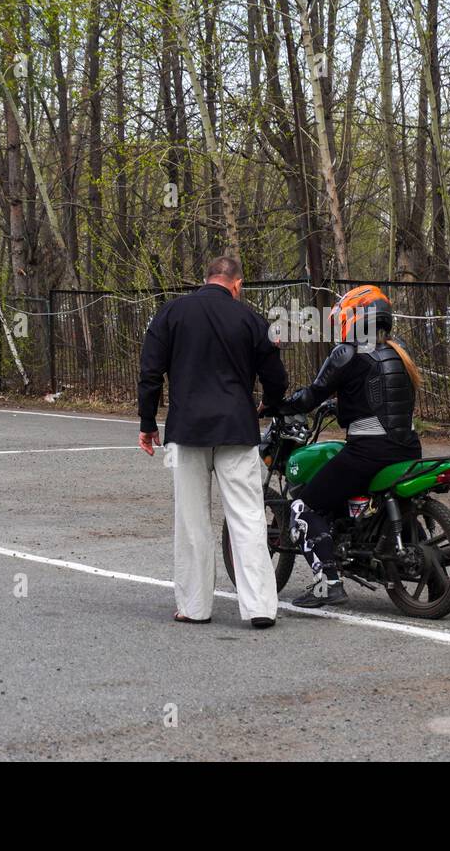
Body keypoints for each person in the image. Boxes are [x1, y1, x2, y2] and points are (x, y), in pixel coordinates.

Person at [138, 256, 288, 629]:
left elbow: (150, 370)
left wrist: (147, 422)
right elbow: (276, 376)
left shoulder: (171, 313)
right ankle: (260, 608)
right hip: (237, 428)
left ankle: (195, 606)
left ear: (207, 278)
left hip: (187, 430)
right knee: (248, 518)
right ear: (236, 284)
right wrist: (268, 404)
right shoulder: (252, 320)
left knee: (191, 521)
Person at [273, 284, 423, 608]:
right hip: (409, 448)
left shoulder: (347, 351)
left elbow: (312, 395)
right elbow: (374, 397)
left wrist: (279, 406)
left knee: (303, 506)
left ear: (353, 316)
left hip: (369, 453)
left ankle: (327, 581)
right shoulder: (401, 350)